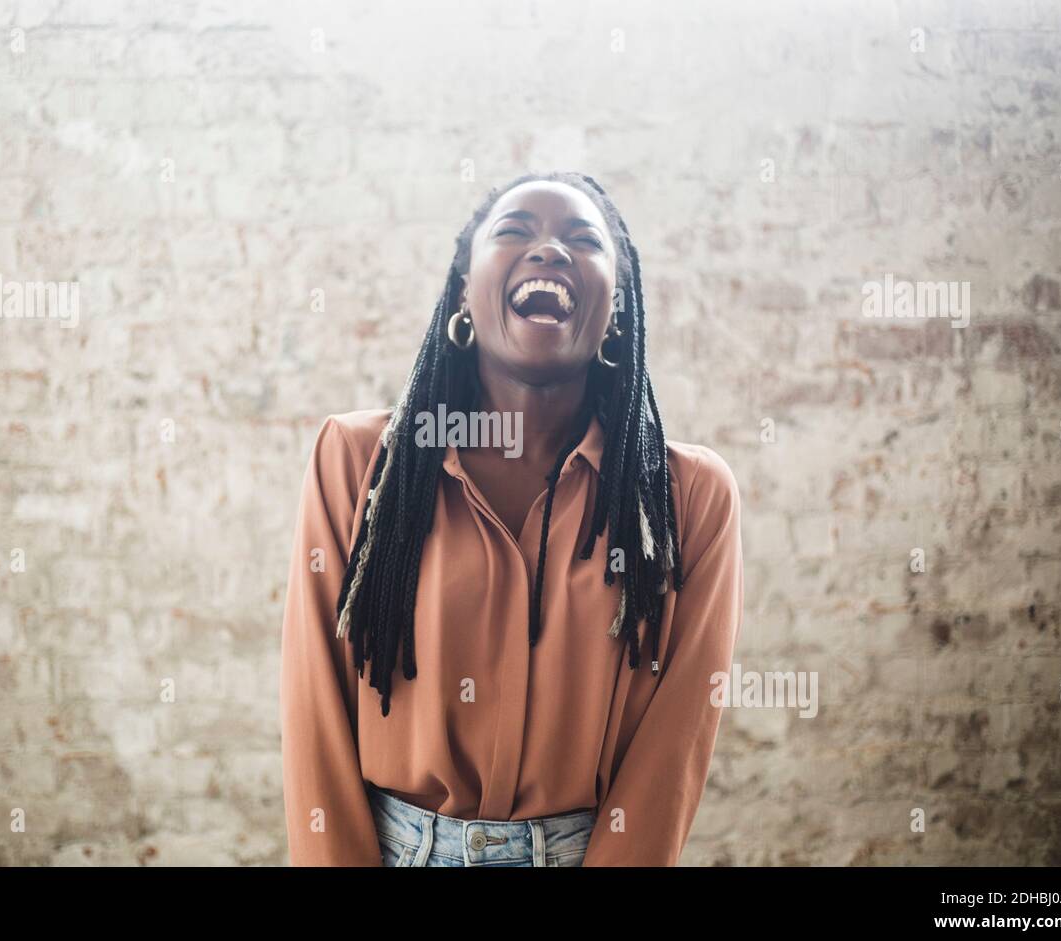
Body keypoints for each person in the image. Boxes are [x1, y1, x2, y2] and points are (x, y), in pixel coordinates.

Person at [280, 171, 743, 866]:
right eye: (515, 230)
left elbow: (673, 750)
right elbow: (314, 708)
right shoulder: (357, 463)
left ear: (617, 313)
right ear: (464, 292)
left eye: (583, 240)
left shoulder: (690, 497)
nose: (550, 249)